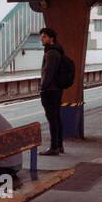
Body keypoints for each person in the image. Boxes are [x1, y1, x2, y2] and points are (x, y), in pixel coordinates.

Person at [39, 27, 66, 156]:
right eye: (41, 36)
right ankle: (59, 145)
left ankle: (54, 147)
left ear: (51, 39)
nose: (41, 39)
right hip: (56, 90)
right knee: (56, 117)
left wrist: (42, 88)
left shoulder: (51, 53)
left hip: (50, 90)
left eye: (44, 36)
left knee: (52, 119)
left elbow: (48, 73)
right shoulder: (57, 51)